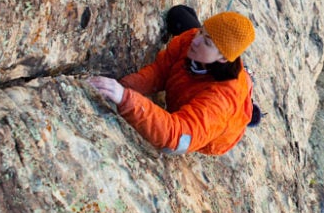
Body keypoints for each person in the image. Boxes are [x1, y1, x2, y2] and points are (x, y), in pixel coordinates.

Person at [89, 9, 256, 155]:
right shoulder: (191, 38)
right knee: (179, 14)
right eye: (201, 31)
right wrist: (124, 85)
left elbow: (176, 137)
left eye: (206, 42)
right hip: (199, 84)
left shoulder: (220, 102)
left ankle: (249, 106)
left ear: (223, 58)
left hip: (219, 124)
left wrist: (126, 99)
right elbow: (161, 71)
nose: (195, 41)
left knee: (243, 111)